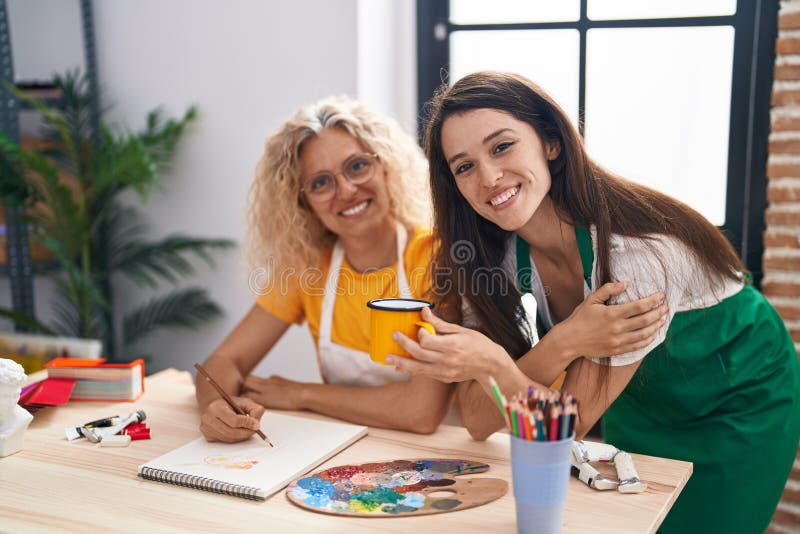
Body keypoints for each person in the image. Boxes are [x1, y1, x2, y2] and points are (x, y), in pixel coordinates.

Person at [390, 71, 800, 534]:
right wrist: (563, 342)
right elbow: (481, 422)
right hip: (640, 395)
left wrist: (497, 367)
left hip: (738, 401)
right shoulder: (490, 259)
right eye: (464, 167)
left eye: (502, 147)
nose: (488, 177)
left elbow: (567, 429)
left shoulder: (638, 255)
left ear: (551, 143)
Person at [195, 96, 453, 441]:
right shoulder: (309, 270)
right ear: (302, 204)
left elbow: (421, 412)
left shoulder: (436, 258)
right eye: (320, 182)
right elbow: (223, 362)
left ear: (386, 165)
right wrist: (217, 408)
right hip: (350, 454)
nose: (346, 190)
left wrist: (301, 394)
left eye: (358, 166)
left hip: (444, 457)